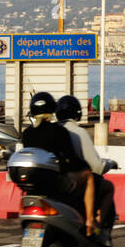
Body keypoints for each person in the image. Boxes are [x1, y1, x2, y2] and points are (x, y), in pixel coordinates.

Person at [19, 91, 91, 214]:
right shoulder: (59, 131)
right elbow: (71, 158)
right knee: (88, 175)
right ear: (52, 110)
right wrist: (84, 166)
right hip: (55, 181)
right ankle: (89, 221)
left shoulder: (26, 133)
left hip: (35, 181)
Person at [56, 94, 114, 237]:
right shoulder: (79, 132)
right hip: (74, 181)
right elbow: (97, 166)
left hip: (55, 180)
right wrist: (111, 163)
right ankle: (96, 223)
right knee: (108, 187)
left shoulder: (54, 130)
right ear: (77, 113)